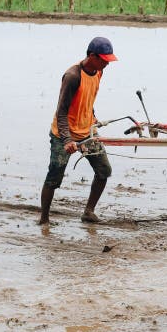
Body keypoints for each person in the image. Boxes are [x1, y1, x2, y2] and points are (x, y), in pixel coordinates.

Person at [38, 37, 118, 225]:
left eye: (108, 60)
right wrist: (67, 140)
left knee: (104, 171)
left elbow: (88, 100)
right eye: (104, 59)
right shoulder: (72, 76)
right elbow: (62, 111)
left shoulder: (98, 72)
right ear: (92, 56)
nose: (107, 64)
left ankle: (88, 212)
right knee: (54, 177)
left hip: (87, 130)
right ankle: (44, 219)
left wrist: (93, 119)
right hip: (64, 133)